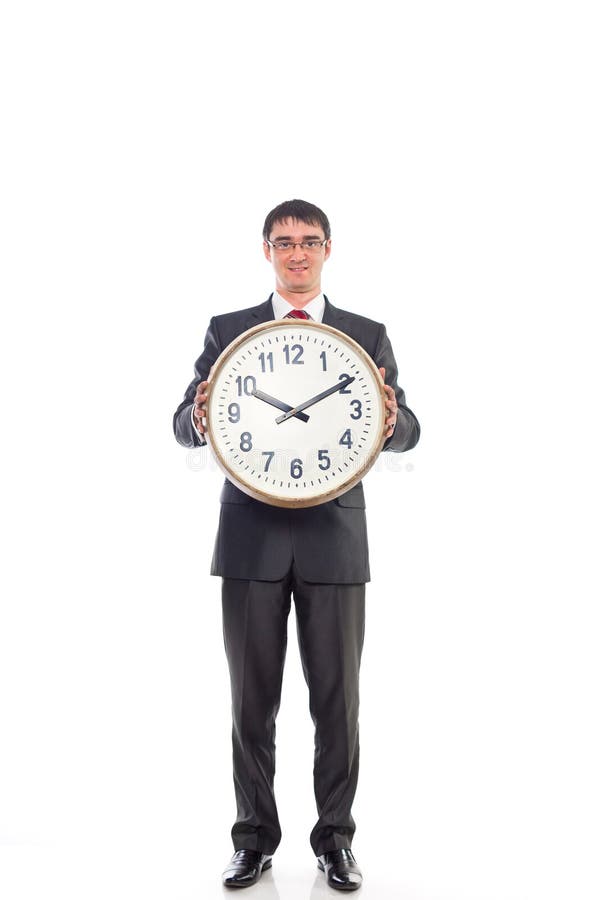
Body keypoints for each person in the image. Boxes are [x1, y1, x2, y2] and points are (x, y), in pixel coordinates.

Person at [173, 199, 420, 890]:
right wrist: (198, 415)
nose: (297, 253)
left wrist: (392, 419)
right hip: (250, 540)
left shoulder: (365, 335)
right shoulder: (230, 331)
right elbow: (183, 424)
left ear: (328, 249)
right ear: (266, 251)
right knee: (251, 703)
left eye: (310, 242)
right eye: (284, 243)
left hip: (335, 541)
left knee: (337, 704)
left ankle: (335, 841)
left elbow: (408, 429)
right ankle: (252, 841)